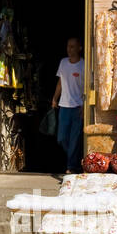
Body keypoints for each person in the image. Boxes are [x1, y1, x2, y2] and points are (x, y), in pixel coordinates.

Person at [51, 37, 86, 173]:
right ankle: (76, 161)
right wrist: (55, 98)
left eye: (72, 47)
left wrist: (84, 106)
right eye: (68, 46)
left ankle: (71, 166)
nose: (69, 49)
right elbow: (60, 82)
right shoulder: (63, 63)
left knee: (75, 139)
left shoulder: (83, 65)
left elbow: (86, 87)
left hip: (78, 106)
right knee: (62, 138)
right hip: (64, 106)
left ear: (79, 48)